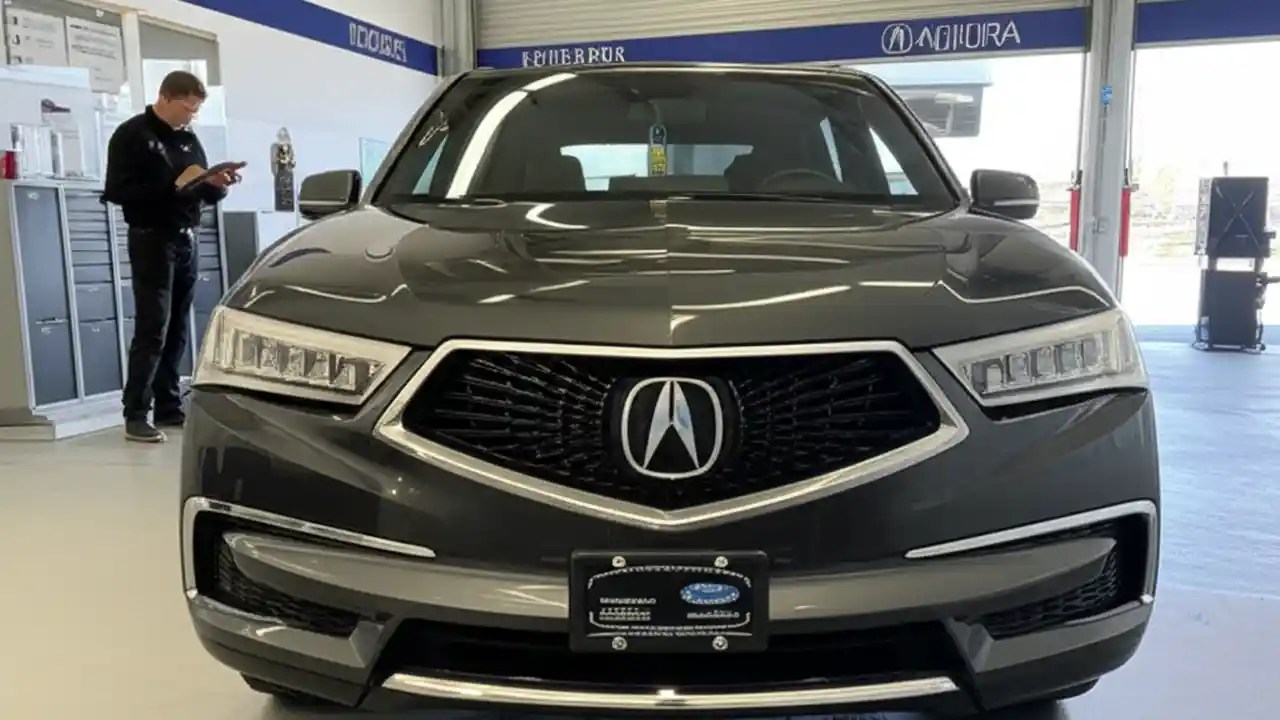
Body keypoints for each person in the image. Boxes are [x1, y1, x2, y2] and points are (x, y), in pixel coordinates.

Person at [103, 70, 240, 443]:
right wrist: (172, 188)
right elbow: (116, 190)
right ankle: (136, 412)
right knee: (153, 326)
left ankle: (168, 405)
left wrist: (216, 185)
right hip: (151, 239)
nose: (190, 116)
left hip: (186, 239)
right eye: (186, 108)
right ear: (164, 97)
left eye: (196, 111)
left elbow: (203, 192)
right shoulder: (133, 135)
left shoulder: (188, 139)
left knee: (179, 326)